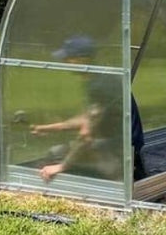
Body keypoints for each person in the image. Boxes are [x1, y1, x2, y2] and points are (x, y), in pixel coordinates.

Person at [31, 36, 146, 183]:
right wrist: (49, 128)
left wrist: (62, 166)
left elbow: (86, 135)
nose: (64, 63)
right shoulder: (98, 78)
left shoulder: (101, 86)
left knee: (56, 154)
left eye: (68, 58)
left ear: (82, 59)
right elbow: (87, 117)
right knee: (59, 152)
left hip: (120, 147)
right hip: (117, 142)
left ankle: (120, 176)